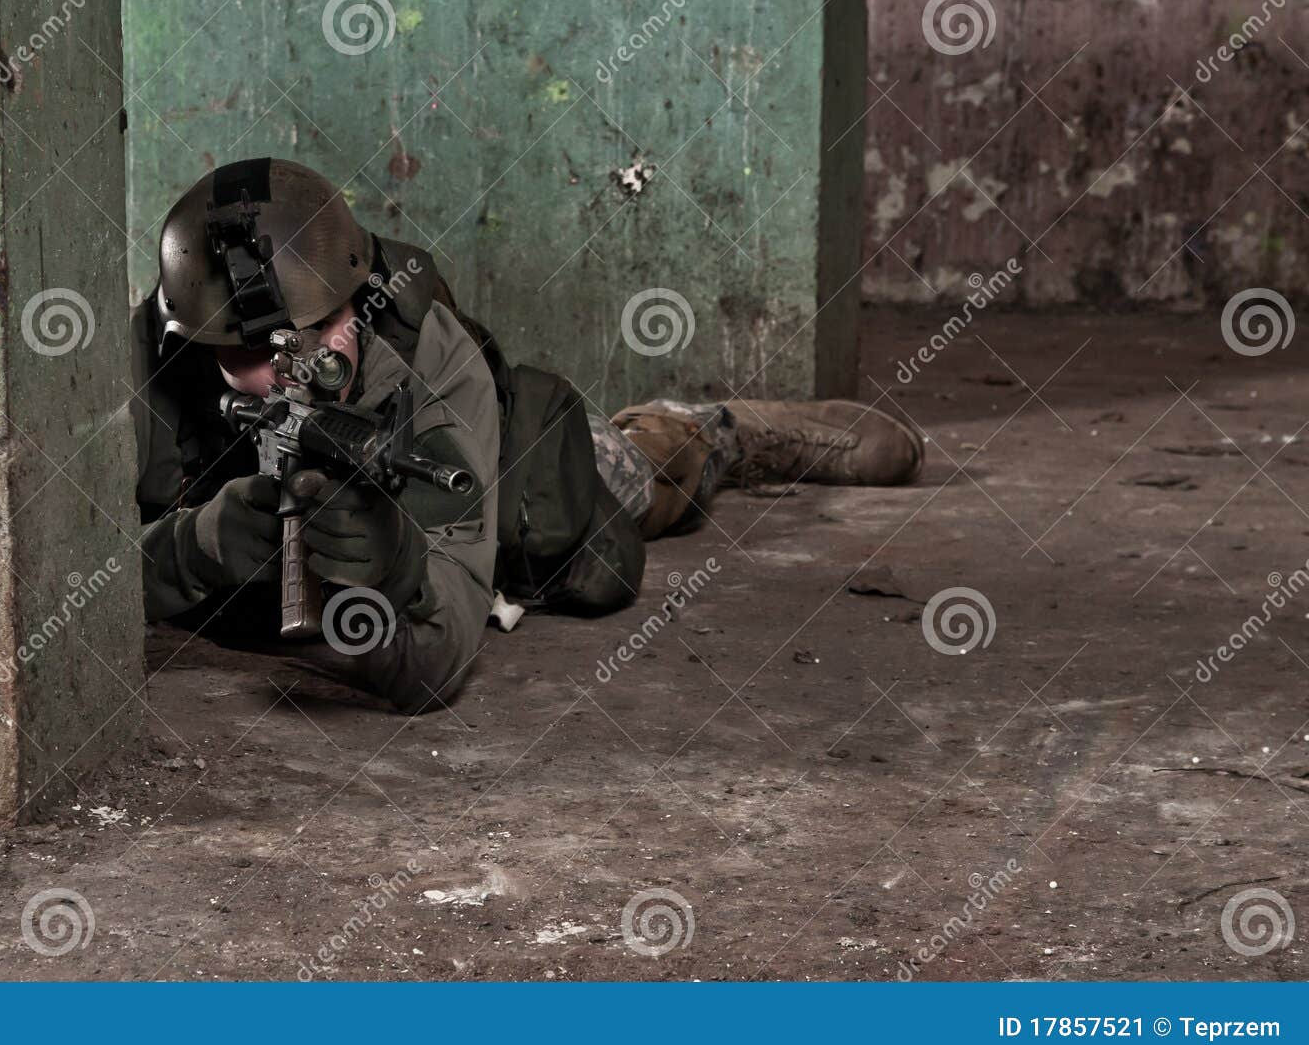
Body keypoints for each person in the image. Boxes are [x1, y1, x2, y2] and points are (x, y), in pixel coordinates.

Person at [132, 158, 921, 713]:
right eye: (252, 353)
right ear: (191, 334)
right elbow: (45, 590)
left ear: (357, 295)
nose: (293, 370)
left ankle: (719, 434)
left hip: (509, 464)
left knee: (611, 488)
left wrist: (392, 573)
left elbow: (435, 665)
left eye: (322, 331)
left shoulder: (434, 363)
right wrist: (196, 545)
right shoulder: (132, 371)